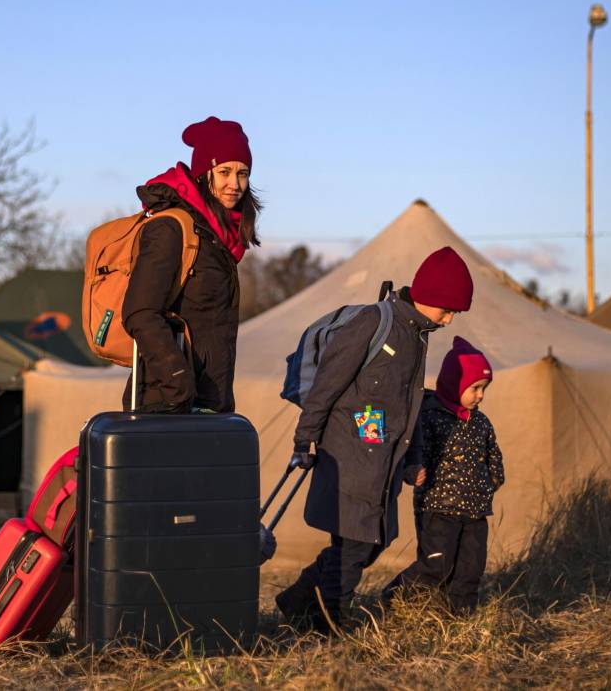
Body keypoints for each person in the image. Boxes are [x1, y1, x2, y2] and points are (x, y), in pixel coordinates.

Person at [275, 247, 474, 631]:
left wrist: (414, 460)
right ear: (428, 295)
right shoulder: (373, 321)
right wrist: (305, 441)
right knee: (353, 547)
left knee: (372, 543)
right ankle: (327, 624)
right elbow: (327, 385)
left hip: (383, 464)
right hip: (347, 458)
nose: (449, 320)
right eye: (447, 310)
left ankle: (300, 600)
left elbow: (410, 406)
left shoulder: (418, 336)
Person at [122, 116, 260, 413]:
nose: (234, 184)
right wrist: (179, 384)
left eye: (242, 173)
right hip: (168, 406)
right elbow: (139, 312)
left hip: (209, 403)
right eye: (224, 172)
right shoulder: (171, 228)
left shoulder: (220, 240)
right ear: (202, 173)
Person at [382, 337, 503, 614]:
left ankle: (459, 616)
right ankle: (394, 598)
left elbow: (493, 454)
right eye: (474, 388)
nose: (480, 395)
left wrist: (492, 481)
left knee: (470, 568)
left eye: (484, 388)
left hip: (475, 511)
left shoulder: (481, 422)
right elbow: (416, 451)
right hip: (438, 507)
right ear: (454, 384)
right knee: (437, 565)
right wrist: (412, 471)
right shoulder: (431, 417)